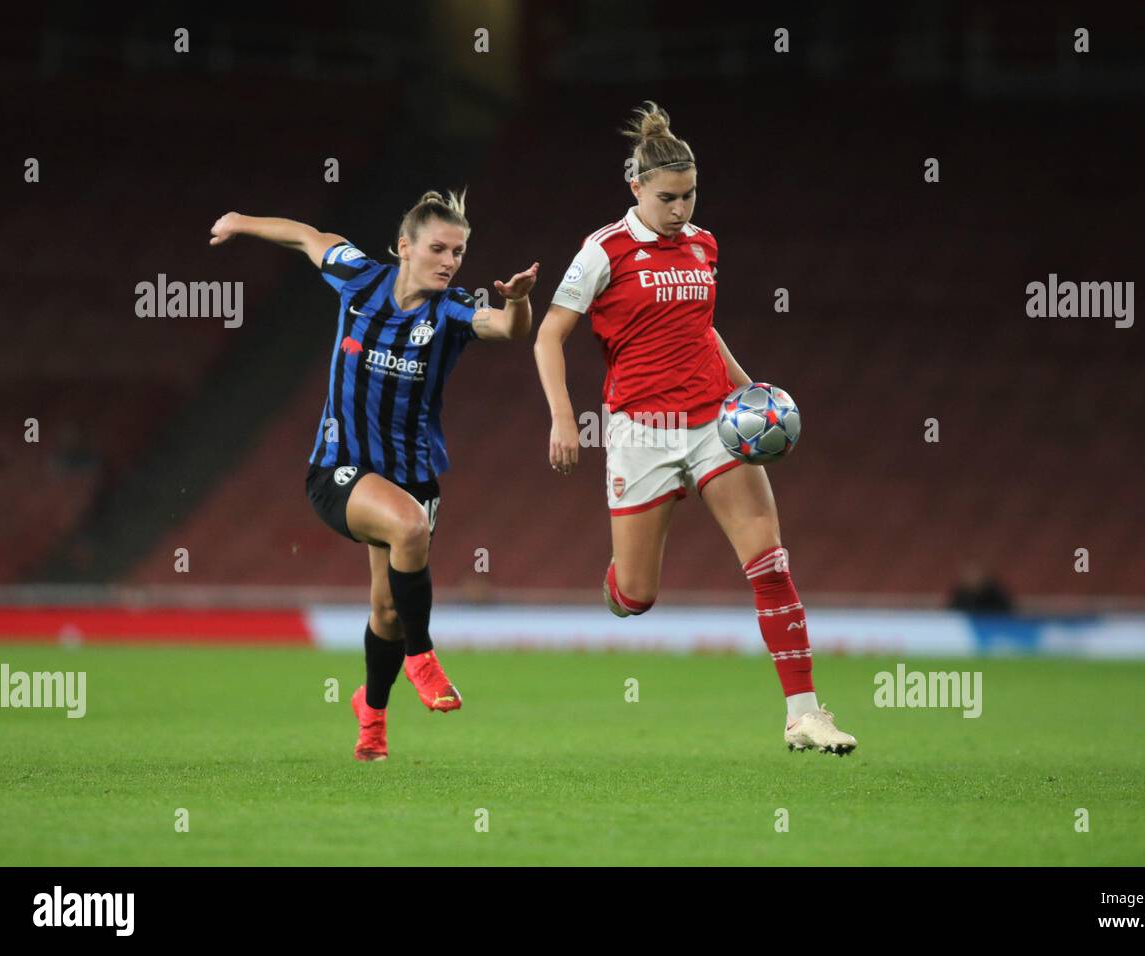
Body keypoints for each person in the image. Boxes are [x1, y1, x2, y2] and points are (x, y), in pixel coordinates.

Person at [533, 103, 856, 755]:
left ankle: (804, 713)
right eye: (668, 198)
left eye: (690, 196)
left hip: (713, 424)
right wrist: (563, 416)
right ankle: (619, 585)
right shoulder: (603, 251)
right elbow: (548, 335)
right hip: (640, 432)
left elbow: (700, 329)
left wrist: (747, 388)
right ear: (637, 189)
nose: (681, 210)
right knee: (638, 596)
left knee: (768, 558)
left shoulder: (704, 245)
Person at [210, 192, 538, 761]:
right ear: (404, 247)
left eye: (459, 252)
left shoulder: (451, 310)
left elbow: (508, 329)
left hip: (412, 478)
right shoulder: (358, 278)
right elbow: (305, 234)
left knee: (386, 610)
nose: (450, 261)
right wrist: (241, 221)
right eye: (438, 248)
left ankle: (372, 721)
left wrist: (521, 304)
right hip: (339, 469)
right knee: (409, 529)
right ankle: (423, 657)